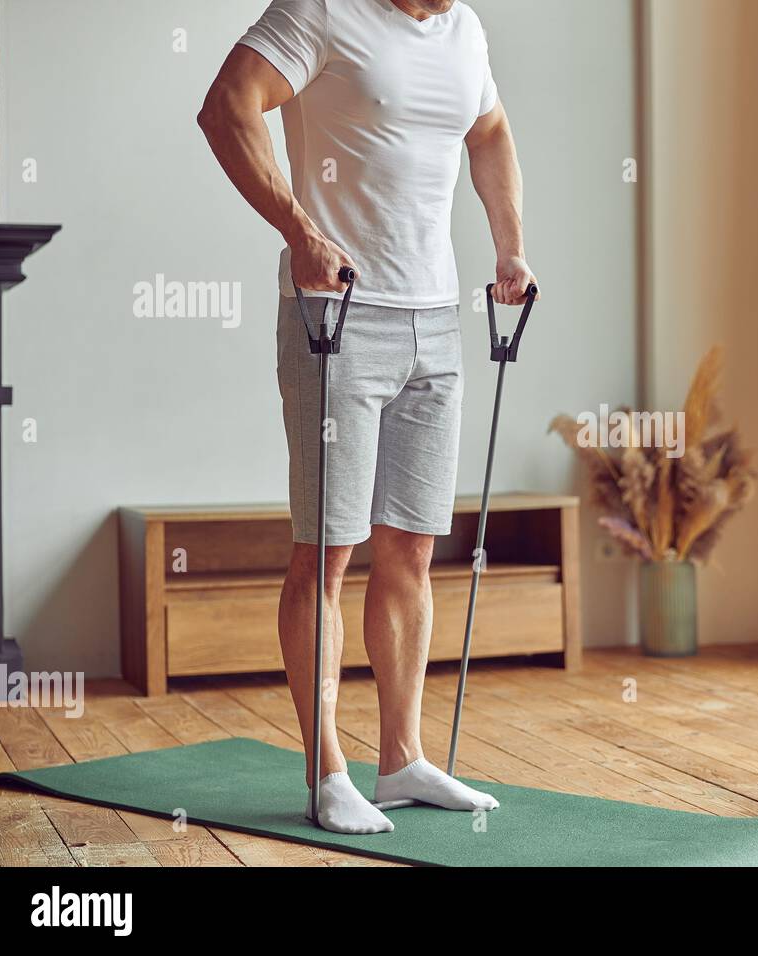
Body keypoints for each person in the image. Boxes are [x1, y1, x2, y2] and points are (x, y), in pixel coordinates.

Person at [198, 0, 536, 833]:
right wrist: (299, 228)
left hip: (437, 321)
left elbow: (487, 131)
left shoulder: (465, 30)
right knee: (326, 554)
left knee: (412, 551)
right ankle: (326, 771)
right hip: (339, 316)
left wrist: (508, 245)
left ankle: (401, 760)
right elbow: (226, 104)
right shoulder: (320, 10)